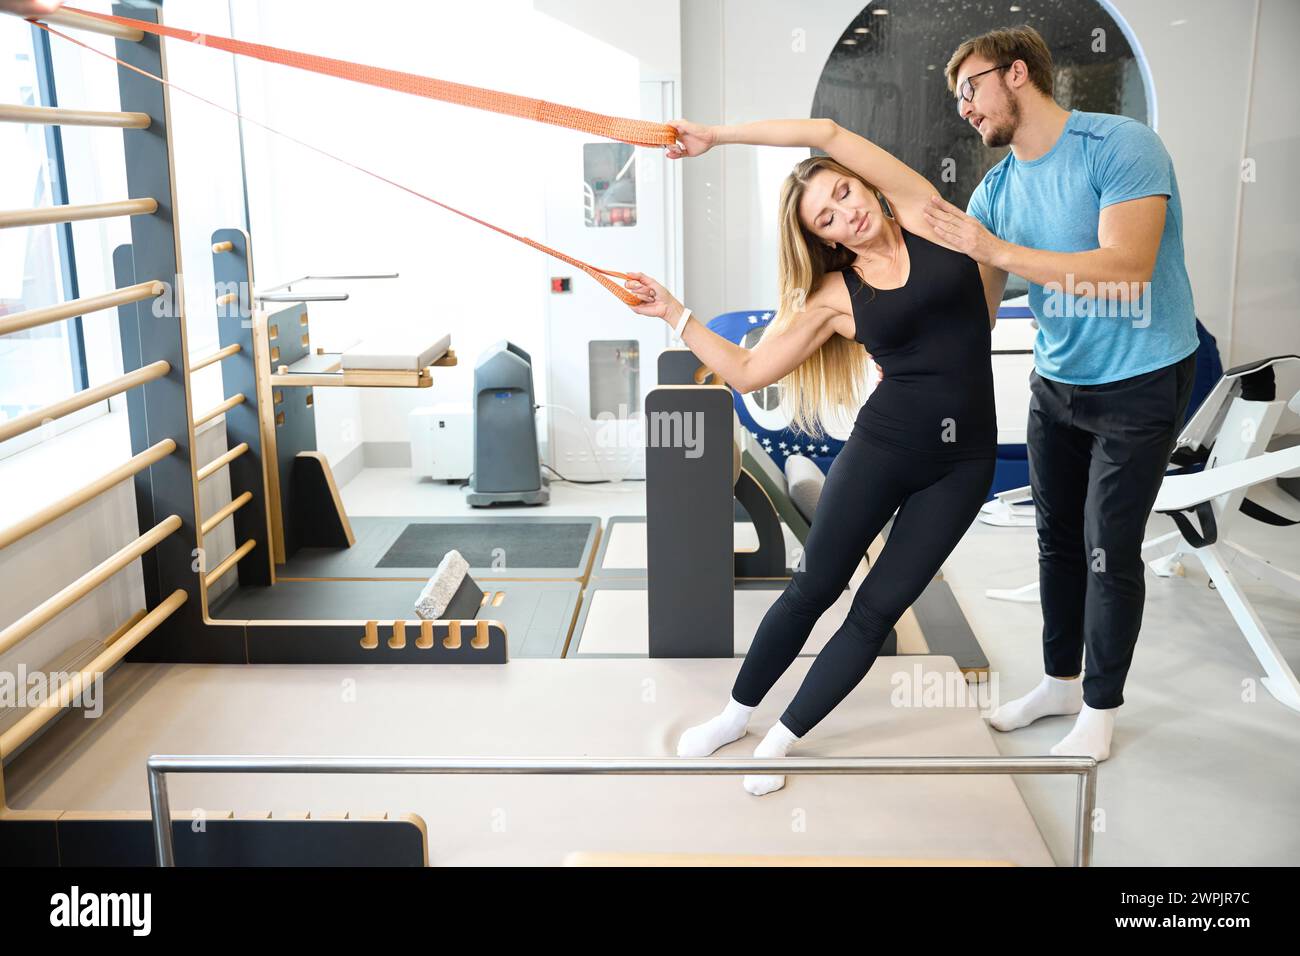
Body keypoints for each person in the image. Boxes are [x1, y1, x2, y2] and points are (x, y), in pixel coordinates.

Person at [625, 116, 1001, 795]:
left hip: (964, 464)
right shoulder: (836, 295)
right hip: (883, 447)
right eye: (826, 218)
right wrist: (675, 315)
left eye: (845, 195)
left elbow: (827, 129)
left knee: (877, 607)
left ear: (867, 186)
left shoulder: (925, 214)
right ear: (821, 238)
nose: (845, 214)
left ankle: (782, 738)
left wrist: (717, 135)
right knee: (813, 588)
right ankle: (734, 716)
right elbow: (745, 371)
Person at [929, 26, 1198, 761]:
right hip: (1059, 383)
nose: (965, 109)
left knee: (1107, 545)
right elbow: (973, 317)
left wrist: (998, 251)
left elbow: (1125, 268)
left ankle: (1101, 712)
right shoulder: (996, 190)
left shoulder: (1120, 147)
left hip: (1141, 375)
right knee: (1056, 543)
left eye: (970, 88)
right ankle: (1058, 684)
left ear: (1017, 73)